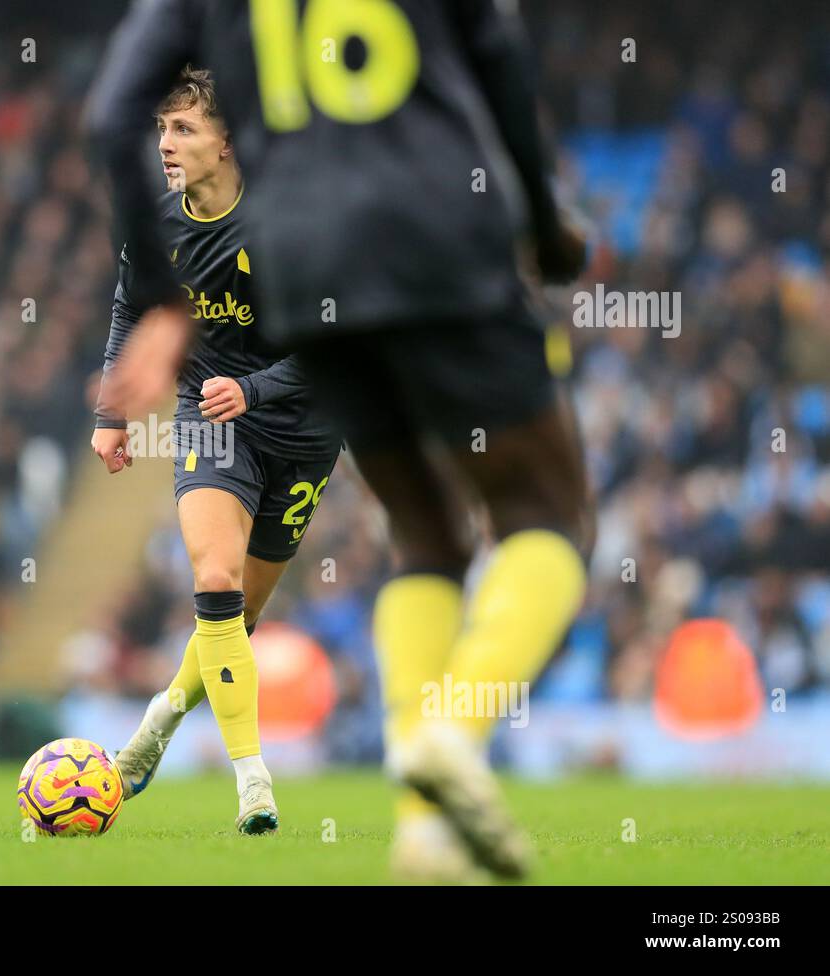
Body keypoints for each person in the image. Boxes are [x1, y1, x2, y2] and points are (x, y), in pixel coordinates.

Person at [86, 0, 593, 881]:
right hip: (436, 239)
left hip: (312, 275)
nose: (168, 144)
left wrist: (179, 315)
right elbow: (501, 53)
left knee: (425, 537)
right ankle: (446, 733)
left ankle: (422, 829)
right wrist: (544, 223)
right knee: (546, 511)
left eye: (185, 128)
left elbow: (106, 111)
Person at [92, 65, 342, 835]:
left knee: (240, 616)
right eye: (161, 128)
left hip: (303, 430)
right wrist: (113, 411)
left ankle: (160, 722)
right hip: (208, 419)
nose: (165, 144)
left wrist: (258, 390)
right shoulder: (155, 224)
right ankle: (253, 783)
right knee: (215, 578)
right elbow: (131, 308)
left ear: (226, 140)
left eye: (183, 129)